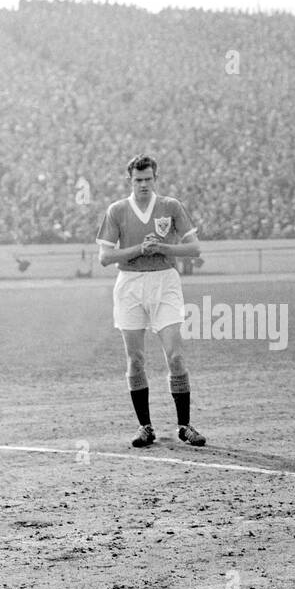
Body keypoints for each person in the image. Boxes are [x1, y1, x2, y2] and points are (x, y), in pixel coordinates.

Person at [96, 154, 205, 448]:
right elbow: (105, 257)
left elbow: (194, 248)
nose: (143, 184)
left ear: (156, 179)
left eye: (148, 179)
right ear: (130, 180)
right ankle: (145, 427)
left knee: (176, 355)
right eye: (138, 180)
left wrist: (163, 247)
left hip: (165, 281)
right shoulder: (117, 210)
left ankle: (184, 425)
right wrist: (138, 250)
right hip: (130, 284)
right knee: (135, 359)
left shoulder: (170, 206)